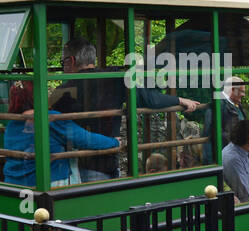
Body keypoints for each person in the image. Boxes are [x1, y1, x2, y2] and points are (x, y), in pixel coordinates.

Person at [52, 38, 199, 180]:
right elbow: (149, 99)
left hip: (83, 163)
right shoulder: (114, 78)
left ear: (71, 61)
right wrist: (180, 100)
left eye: (63, 62)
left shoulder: (64, 90)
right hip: (112, 158)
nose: (63, 67)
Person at [3, 82, 122, 187]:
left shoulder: (12, 123)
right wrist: (115, 142)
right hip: (48, 183)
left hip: (13, 183)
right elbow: (84, 139)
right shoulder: (50, 118)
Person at [202, 75, 247, 163]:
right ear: (233, 90)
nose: (244, 95)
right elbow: (209, 136)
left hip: (236, 157)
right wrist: (212, 165)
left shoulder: (236, 105)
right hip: (224, 159)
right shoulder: (217, 106)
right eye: (242, 91)